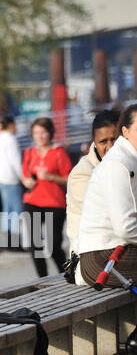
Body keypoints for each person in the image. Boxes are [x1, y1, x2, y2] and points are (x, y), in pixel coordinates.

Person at [74, 103, 137, 287]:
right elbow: (125, 228)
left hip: (118, 249)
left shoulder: (130, 159)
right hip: (101, 259)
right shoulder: (118, 164)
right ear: (125, 132)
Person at [65, 108, 120, 260]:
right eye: (103, 141)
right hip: (93, 257)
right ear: (94, 143)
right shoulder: (82, 174)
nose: (110, 146)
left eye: (115, 139)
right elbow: (107, 219)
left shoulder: (127, 165)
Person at [21, 116, 72, 278]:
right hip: (33, 201)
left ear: (50, 133)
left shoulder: (59, 153)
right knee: (35, 245)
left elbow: (69, 178)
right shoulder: (29, 153)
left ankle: (65, 275)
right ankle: (42, 279)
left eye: (43, 132)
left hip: (54, 203)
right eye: (36, 133)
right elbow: (24, 175)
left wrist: (50, 177)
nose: (40, 136)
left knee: (53, 246)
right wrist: (26, 181)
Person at [0, 115, 24, 248]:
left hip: (1, 177)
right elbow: (15, 160)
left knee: (7, 210)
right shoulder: (11, 139)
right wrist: (22, 176)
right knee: (17, 210)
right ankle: (16, 242)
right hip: (11, 178)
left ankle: (8, 241)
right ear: (11, 125)